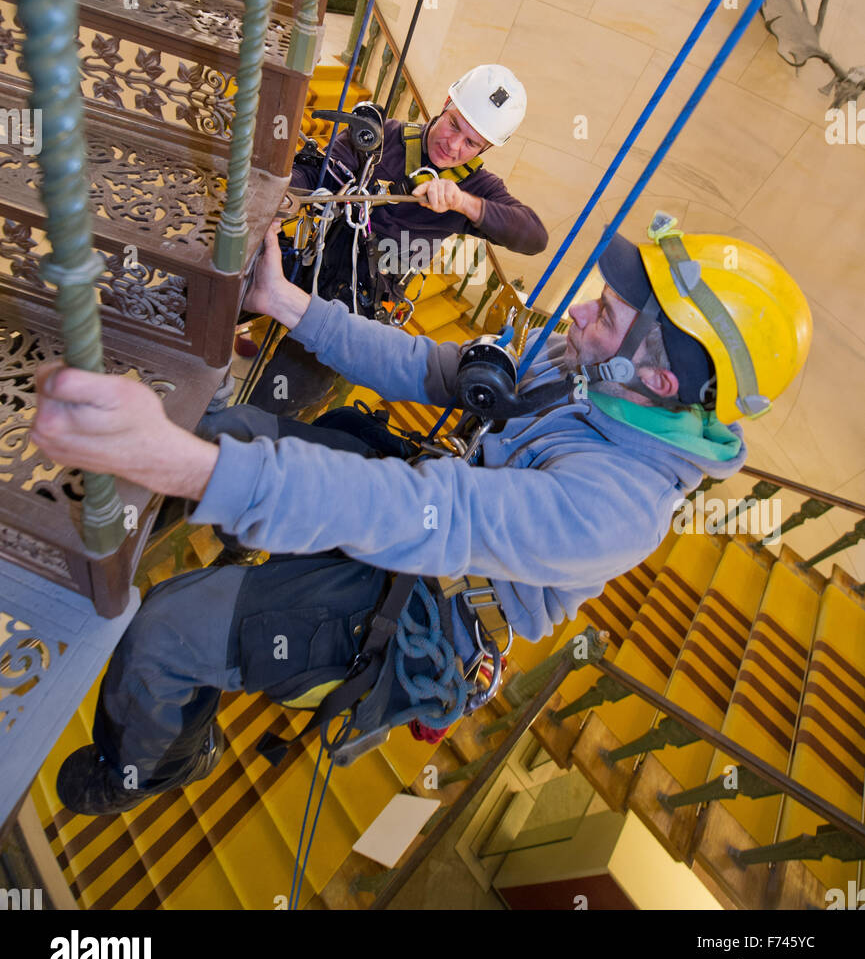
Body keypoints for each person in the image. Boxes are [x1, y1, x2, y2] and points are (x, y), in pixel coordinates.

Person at [30, 212, 812, 816]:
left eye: (604, 316)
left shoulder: (618, 508)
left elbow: (424, 512)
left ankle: (155, 762)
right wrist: (284, 302)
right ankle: (192, 535)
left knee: (166, 630)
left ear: (660, 382)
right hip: (434, 500)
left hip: (442, 604)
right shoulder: (581, 366)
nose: (576, 314)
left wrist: (179, 466)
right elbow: (424, 365)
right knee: (227, 432)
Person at [244, 64, 548, 415]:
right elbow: (317, 173)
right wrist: (281, 193)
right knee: (210, 293)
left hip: (354, 305)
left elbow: (534, 236)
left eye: (471, 143)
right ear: (447, 102)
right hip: (314, 259)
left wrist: (464, 203)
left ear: (487, 149)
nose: (453, 145)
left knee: (273, 404)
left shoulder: (479, 188)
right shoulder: (382, 137)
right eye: (453, 124)